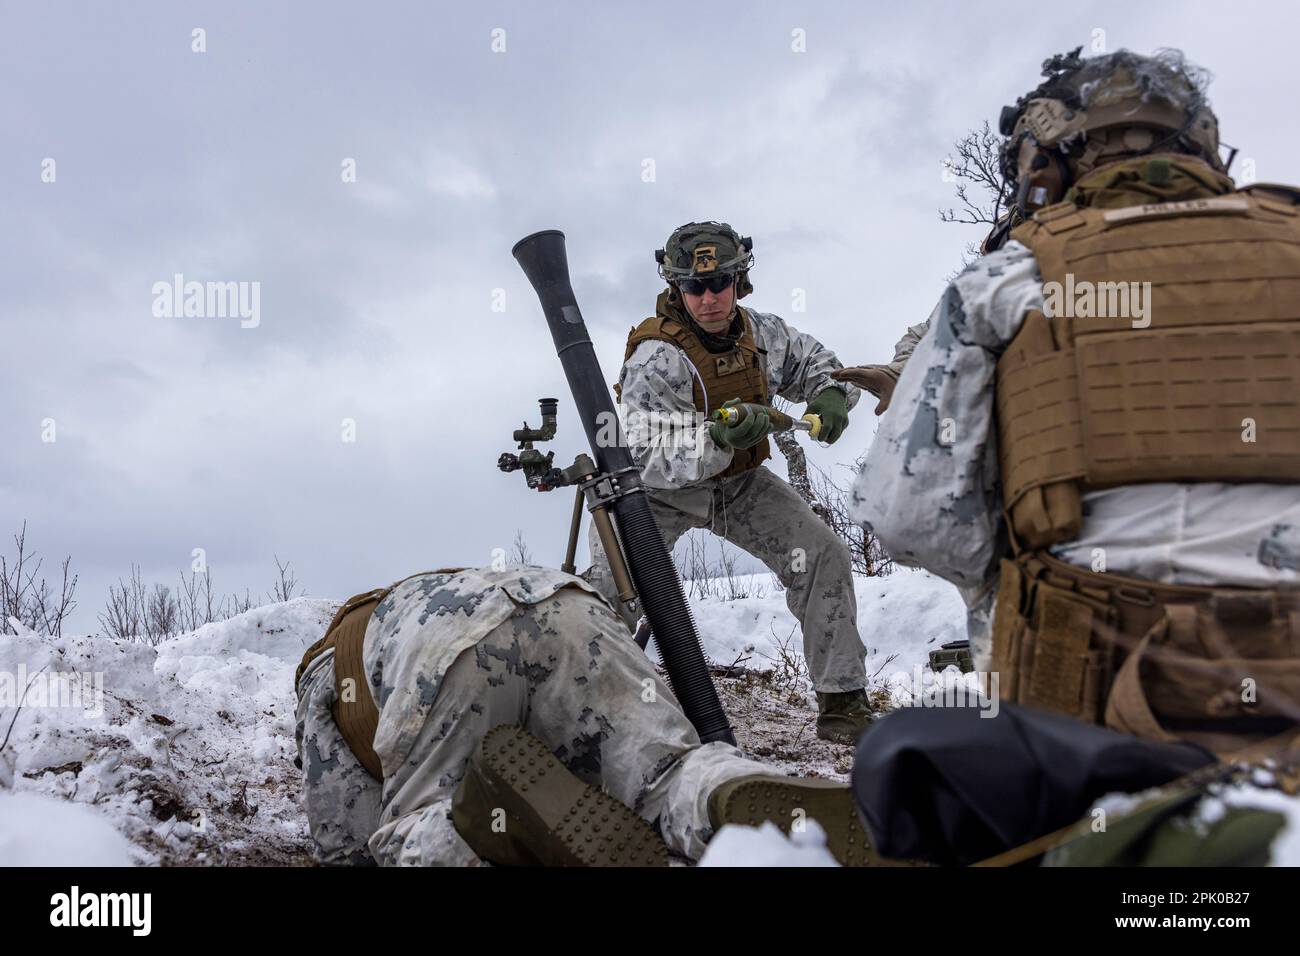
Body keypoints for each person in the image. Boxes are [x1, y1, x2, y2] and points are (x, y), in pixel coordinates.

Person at [843, 47, 1300, 756]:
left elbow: (907, 520)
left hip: (1094, 708)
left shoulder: (1007, 279)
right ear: (1204, 143)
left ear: (1047, 162)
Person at [294, 565, 873, 866]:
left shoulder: (322, 672)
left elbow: (343, 838)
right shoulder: (417, 592)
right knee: (663, 774)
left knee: (410, 827)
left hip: (449, 647)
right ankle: (732, 791)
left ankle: (478, 823)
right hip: (566, 603)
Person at [588, 221, 872, 742]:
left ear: (739, 282)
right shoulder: (655, 359)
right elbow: (647, 456)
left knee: (820, 554)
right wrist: (719, 436)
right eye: (694, 287)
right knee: (611, 598)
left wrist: (830, 395)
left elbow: (816, 362)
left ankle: (843, 703)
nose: (709, 297)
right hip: (653, 496)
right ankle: (592, 713)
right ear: (677, 288)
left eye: (720, 283)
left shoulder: (759, 334)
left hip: (737, 484)